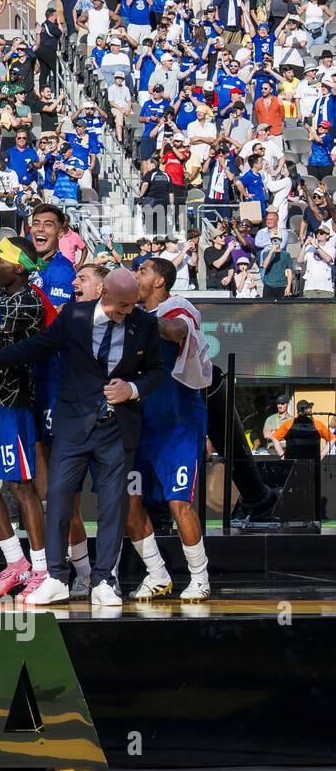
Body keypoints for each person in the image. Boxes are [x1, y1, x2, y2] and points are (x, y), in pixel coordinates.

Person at [0, 268, 166, 606]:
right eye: (122, 305)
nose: (128, 311)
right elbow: (34, 347)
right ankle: (55, 576)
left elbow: (157, 371)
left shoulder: (142, 323)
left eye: (132, 305)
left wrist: (131, 388)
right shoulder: (74, 315)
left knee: (113, 505)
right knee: (57, 499)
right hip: (73, 426)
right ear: (104, 293)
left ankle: (103, 580)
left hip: (116, 427)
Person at [0, 238, 53, 601]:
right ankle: (15, 562)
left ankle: (42, 568)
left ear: (19, 268)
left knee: (22, 487)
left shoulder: (30, 300)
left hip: (12, 403)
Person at [126, 258, 214, 602]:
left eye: (143, 271)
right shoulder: (128, 314)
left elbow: (176, 332)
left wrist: (135, 316)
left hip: (178, 423)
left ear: (160, 281)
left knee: (179, 504)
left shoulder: (179, 307)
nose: (136, 275)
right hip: (140, 425)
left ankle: (200, 577)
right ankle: (157, 574)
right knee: (129, 504)